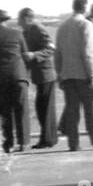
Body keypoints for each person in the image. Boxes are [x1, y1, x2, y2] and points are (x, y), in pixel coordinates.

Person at [55, 0, 93, 151]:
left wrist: (59, 73)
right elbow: (88, 51)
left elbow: (57, 53)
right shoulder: (86, 25)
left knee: (72, 111)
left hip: (67, 74)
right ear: (84, 7)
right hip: (84, 75)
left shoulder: (63, 26)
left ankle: (73, 143)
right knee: (92, 109)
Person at [0, 9, 33, 153]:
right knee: (21, 110)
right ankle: (24, 142)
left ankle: (7, 143)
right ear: (6, 20)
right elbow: (26, 56)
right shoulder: (17, 34)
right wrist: (26, 75)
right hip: (18, 78)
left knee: (4, 113)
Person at [19, 8, 58, 149]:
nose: (18, 22)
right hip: (38, 76)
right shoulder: (26, 32)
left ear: (27, 18)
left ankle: (47, 139)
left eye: (20, 19)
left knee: (45, 108)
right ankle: (48, 138)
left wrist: (35, 55)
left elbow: (51, 48)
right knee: (41, 108)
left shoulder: (38, 29)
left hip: (46, 75)